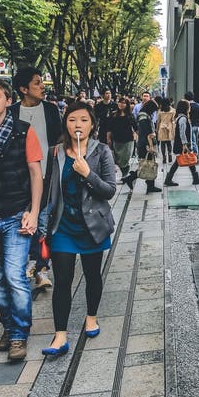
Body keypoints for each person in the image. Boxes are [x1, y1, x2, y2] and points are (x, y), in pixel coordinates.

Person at [42, 103, 116, 356]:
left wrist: (87, 173)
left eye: (84, 120)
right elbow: (48, 192)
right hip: (62, 226)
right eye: (72, 120)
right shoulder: (56, 153)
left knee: (92, 275)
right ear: (66, 124)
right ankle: (60, 335)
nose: (78, 125)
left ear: (92, 125)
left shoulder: (102, 152)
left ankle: (91, 316)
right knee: (62, 280)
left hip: (92, 226)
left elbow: (109, 190)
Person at [0, 78, 43, 362]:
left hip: (16, 215)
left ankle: (17, 335)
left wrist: (34, 211)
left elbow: (36, 174)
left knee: (15, 277)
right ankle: (9, 325)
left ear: (7, 100)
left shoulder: (23, 132)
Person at [11, 67, 62, 291]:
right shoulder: (12, 112)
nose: (42, 86)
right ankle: (34, 265)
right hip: (19, 180)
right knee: (25, 222)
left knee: (42, 221)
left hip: (47, 175)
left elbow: (59, 138)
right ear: (23, 89)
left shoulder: (51, 110)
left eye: (42, 82)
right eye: (37, 83)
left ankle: (40, 267)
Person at [164, 99, 199, 186]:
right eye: (188, 106)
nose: (190, 108)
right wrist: (184, 144)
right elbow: (182, 132)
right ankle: (169, 179)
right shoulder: (183, 118)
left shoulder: (182, 117)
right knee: (178, 162)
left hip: (183, 144)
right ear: (185, 108)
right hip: (182, 144)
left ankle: (195, 178)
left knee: (188, 160)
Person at [107, 97, 137, 183]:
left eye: (124, 103)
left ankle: (125, 175)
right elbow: (109, 128)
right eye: (120, 102)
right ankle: (126, 175)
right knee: (118, 159)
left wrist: (139, 135)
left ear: (127, 105)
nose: (121, 104)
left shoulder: (130, 115)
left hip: (128, 140)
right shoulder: (113, 114)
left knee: (125, 158)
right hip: (116, 139)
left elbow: (135, 127)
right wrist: (108, 138)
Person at [136, 99, 161, 193]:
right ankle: (149, 185)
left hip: (144, 142)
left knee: (148, 164)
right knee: (147, 164)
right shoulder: (144, 117)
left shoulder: (143, 115)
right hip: (146, 144)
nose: (154, 112)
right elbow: (148, 133)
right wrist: (150, 146)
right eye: (153, 110)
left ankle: (150, 185)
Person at [184, 91, 199, 157]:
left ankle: (196, 157)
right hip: (198, 126)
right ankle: (194, 156)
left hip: (191, 126)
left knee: (193, 142)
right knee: (194, 141)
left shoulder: (186, 106)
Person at [156, 98, 175, 164]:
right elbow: (173, 120)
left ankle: (164, 157)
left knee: (162, 143)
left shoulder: (160, 111)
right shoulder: (173, 110)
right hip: (169, 127)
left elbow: (158, 121)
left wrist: (157, 129)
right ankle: (170, 155)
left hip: (162, 127)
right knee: (169, 142)